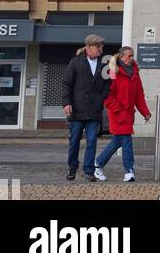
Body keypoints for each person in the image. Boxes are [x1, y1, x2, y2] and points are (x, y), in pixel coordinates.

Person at [94, 48, 151, 182]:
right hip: (117, 113)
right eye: (129, 56)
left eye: (132, 56)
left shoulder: (135, 73)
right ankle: (129, 171)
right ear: (121, 56)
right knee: (126, 140)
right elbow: (107, 95)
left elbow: (139, 96)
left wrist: (145, 112)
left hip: (128, 113)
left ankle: (98, 164)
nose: (131, 58)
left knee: (118, 141)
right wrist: (118, 108)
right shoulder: (113, 71)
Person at [62, 34, 109, 182]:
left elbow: (108, 85)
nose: (100, 50)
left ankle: (89, 171)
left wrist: (101, 99)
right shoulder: (75, 63)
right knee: (74, 140)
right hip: (76, 109)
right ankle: (72, 167)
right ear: (88, 47)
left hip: (94, 110)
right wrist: (66, 103)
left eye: (101, 47)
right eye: (98, 47)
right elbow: (67, 84)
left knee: (92, 141)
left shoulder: (104, 65)